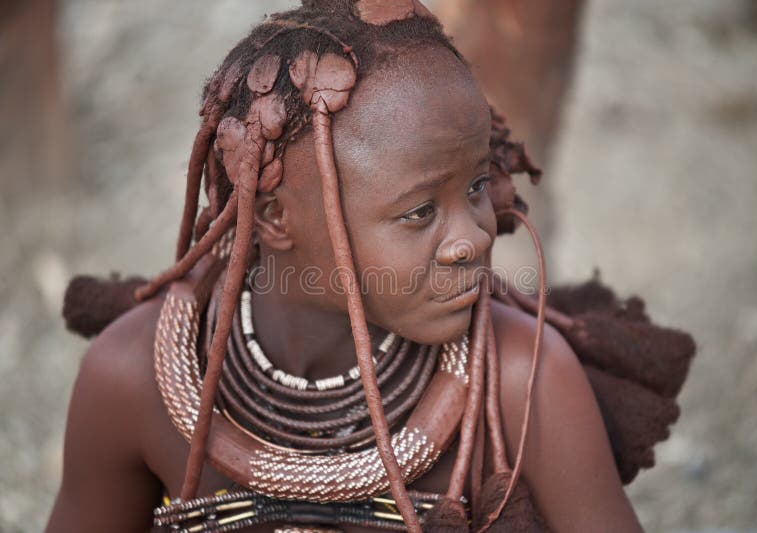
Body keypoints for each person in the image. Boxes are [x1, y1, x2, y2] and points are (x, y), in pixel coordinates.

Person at [46, 1, 694, 531]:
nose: (473, 238)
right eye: (418, 213)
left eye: (475, 187)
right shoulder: (131, 382)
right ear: (273, 218)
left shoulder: (526, 381)